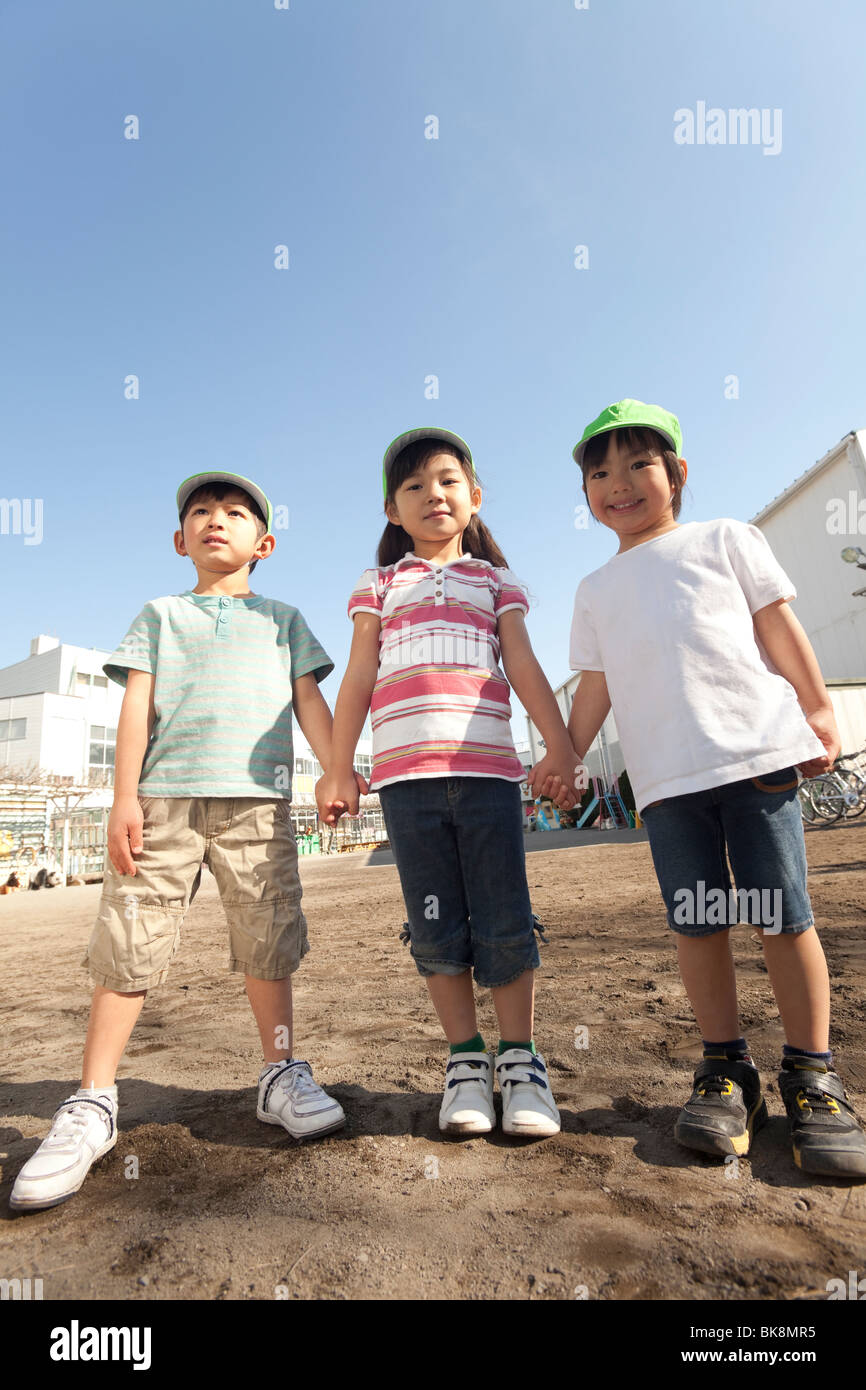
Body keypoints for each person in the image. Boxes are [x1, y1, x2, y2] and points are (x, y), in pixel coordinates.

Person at [11, 471, 362, 1212]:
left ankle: (279, 1075)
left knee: (268, 939)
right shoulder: (160, 616)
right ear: (180, 539)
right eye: (200, 511)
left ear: (263, 542)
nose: (215, 520)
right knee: (128, 939)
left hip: (258, 808)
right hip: (164, 803)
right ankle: (93, 1101)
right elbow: (134, 707)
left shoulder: (284, 620)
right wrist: (123, 798)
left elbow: (311, 701)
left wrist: (336, 769)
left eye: (234, 513)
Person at [563, 399, 866, 1176]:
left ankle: (812, 1073)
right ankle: (727, 1069)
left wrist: (819, 707)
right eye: (600, 473)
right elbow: (592, 687)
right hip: (665, 783)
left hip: (754, 758)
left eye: (638, 464)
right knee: (697, 923)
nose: (618, 484)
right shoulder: (595, 589)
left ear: (678, 473)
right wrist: (564, 753)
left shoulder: (726, 539)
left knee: (780, 915)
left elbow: (777, 626)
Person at [316, 427, 580, 1138]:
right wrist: (339, 767)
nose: (433, 494)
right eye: (413, 486)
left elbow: (523, 665)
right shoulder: (379, 585)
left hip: (490, 775)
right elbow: (359, 678)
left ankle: (520, 1061)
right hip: (406, 783)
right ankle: (466, 1061)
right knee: (436, 924)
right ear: (391, 511)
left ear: (474, 496)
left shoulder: (495, 581)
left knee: (503, 913)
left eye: (447, 480)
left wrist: (559, 745)